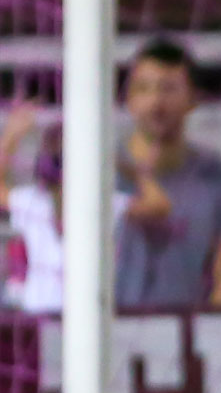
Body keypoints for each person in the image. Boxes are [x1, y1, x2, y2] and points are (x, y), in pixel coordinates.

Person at [0, 102, 170, 315]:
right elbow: (159, 204)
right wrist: (129, 169)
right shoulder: (37, 200)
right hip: (60, 309)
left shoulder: (98, 201)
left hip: (75, 310)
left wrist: (11, 137)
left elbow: (160, 207)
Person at [114, 37, 221, 309]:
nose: (156, 102)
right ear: (128, 99)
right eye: (143, 89)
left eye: (168, 89)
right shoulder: (101, 172)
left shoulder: (215, 174)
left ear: (193, 99)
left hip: (184, 333)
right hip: (107, 334)